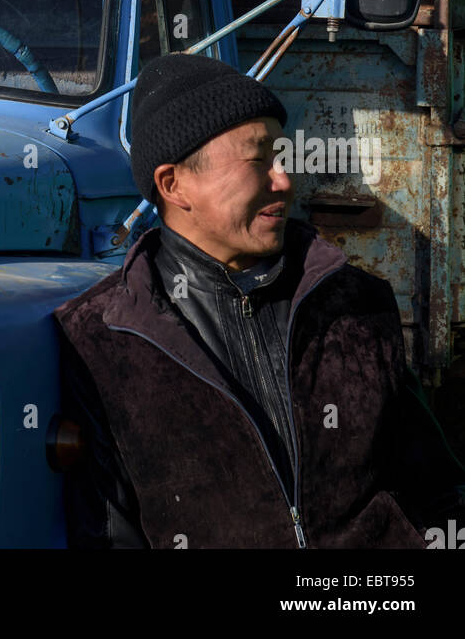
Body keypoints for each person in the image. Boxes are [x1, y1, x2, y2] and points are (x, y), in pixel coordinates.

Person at [54, 52, 465, 548]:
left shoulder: (355, 301)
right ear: (173, 184)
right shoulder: (101, 340)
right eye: (259, 159)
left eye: (283, 157)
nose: (285, 180)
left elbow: (437, 493)